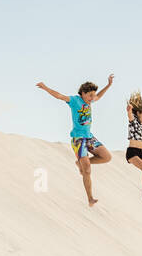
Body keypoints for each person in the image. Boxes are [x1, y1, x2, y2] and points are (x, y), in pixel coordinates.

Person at [36, 74, 114, 206]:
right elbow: (59, 96)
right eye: (89, 95)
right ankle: (90, 198)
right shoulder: (75, 100)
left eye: (92, 95)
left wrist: (108, 85)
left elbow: (99, 96)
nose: (92, 98)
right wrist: (45, 88)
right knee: (87, 170)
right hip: (79, 140)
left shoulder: (90, 100)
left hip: (89, 137)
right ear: (83, 93)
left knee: (107, 157)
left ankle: (81, 164)